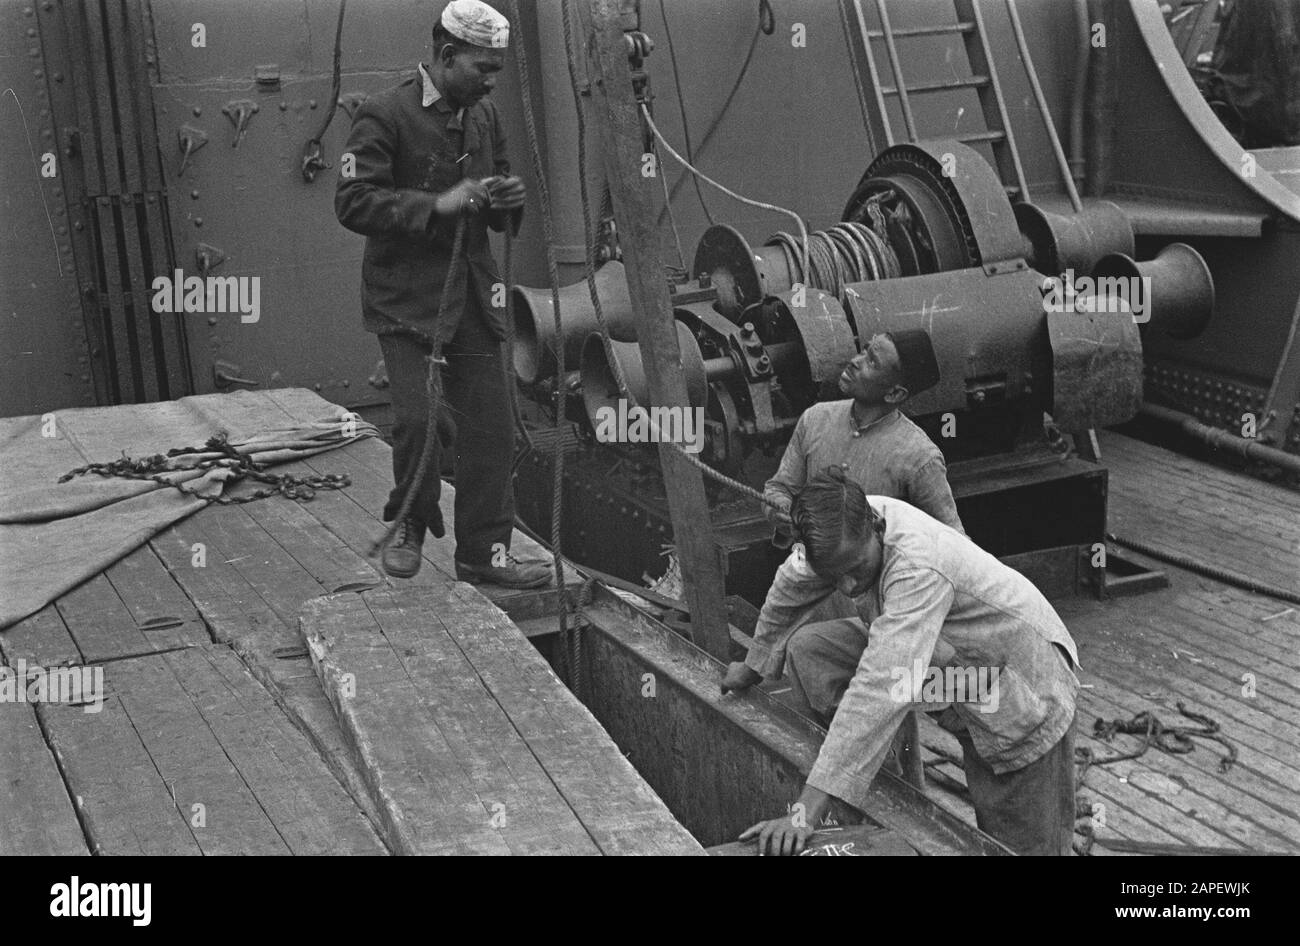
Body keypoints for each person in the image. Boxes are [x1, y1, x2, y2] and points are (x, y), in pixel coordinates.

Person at [723, 467, 1080, 856]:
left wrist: (805, 812)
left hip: (1022, 681)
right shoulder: (836, 529)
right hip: (952, 661)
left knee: (1015, 841)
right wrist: (754, 664)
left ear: (876, 528)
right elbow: (789, 588)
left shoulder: (916, 565)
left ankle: (856, 780)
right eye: (833, 577)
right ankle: (891, 790)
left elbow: (880, 688)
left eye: (855, 571)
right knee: (814, 651)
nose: (846, 587)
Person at [335, 0, 548, 588]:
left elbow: (502, 192)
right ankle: (410, 521)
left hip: (474, 300)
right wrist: (436, 205)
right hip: (408, 302)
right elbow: (352, 201)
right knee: (418, 419)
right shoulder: (384, 115)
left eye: (498, 71)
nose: (491, 81)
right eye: (483, 68)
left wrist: (510, 200)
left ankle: (485, 555)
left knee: (492, 431)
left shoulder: (484, 118)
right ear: (447, 56)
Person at [764, 329, 963, 547]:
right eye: (863, 351)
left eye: (872, 363)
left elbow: (954, 541)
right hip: (809, 570)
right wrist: (780, 510)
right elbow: (779, 488)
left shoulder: (920, 457)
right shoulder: (815, 418)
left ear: (894, 394)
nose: (855, 361)